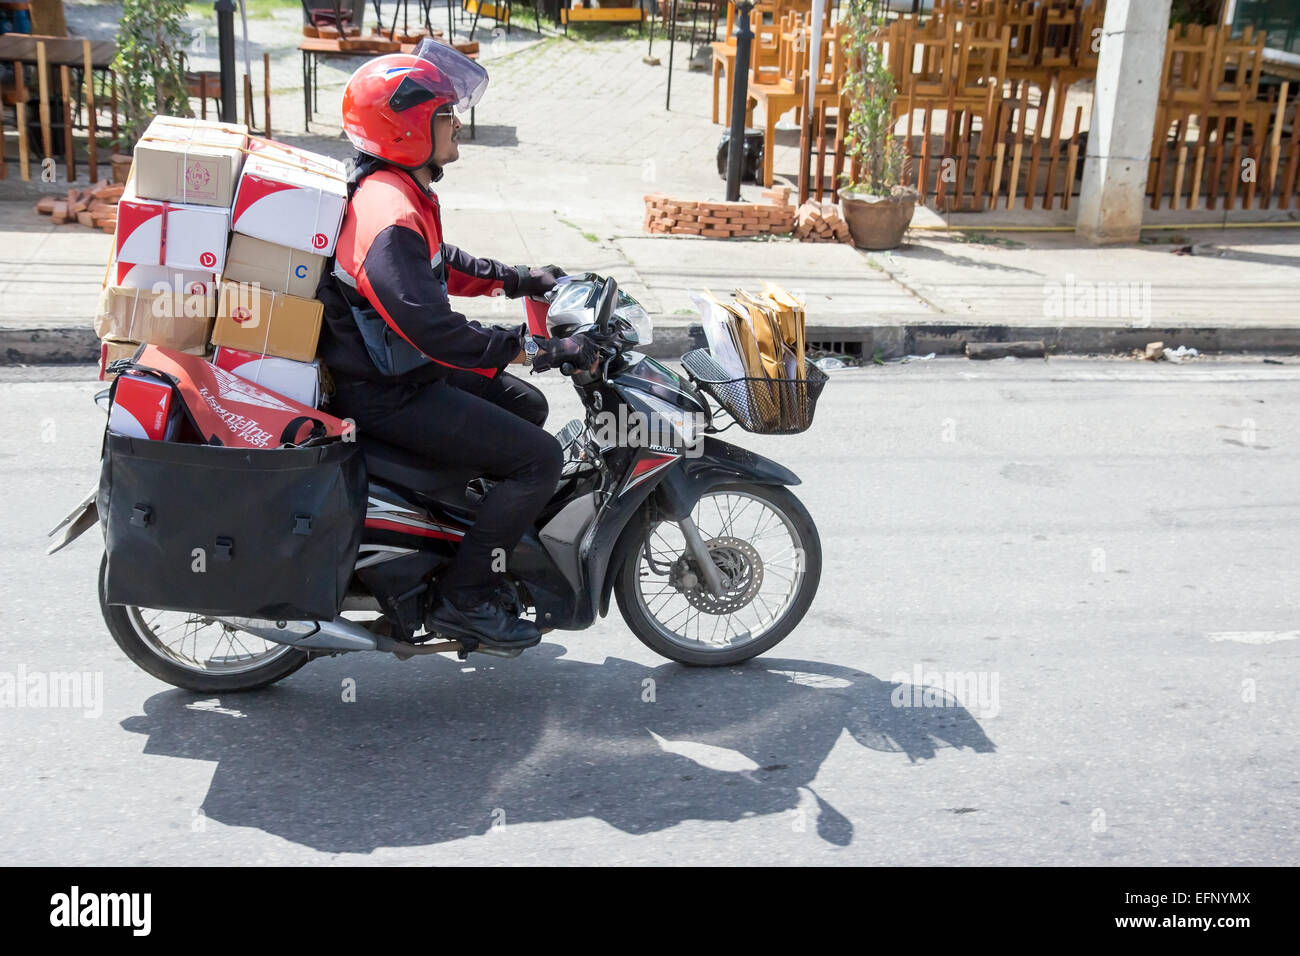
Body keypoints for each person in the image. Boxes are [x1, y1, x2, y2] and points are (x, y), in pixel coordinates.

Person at [317, 40, 598, 649]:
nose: (456, 124)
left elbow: (442, 264)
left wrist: (525, 279)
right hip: (387, 390)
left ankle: (458, 539)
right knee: (539, 459)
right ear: (406, 127)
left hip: (396, 372)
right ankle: (464, 597)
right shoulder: (386, 214)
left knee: (525, 407)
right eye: (445, 114)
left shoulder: (398, 191)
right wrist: (537, 348)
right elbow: (434, 332)